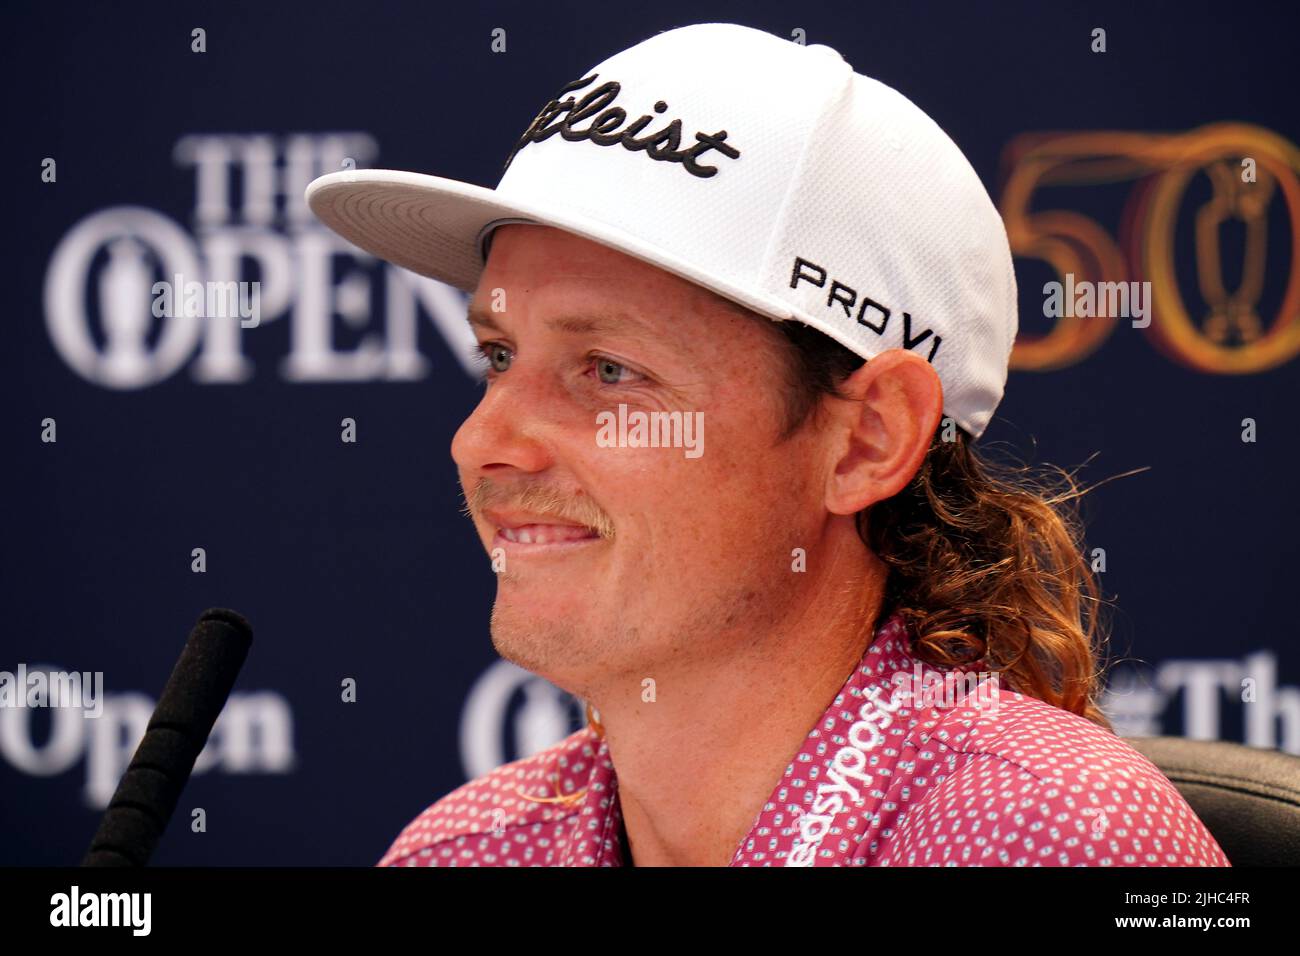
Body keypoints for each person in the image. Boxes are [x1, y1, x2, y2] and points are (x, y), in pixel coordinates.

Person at [307, 22, 1230, 866]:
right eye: (498, 355)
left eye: (609, 371)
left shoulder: (1054, 840)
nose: (484, 440)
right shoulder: (463, 852)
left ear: (867, 441)